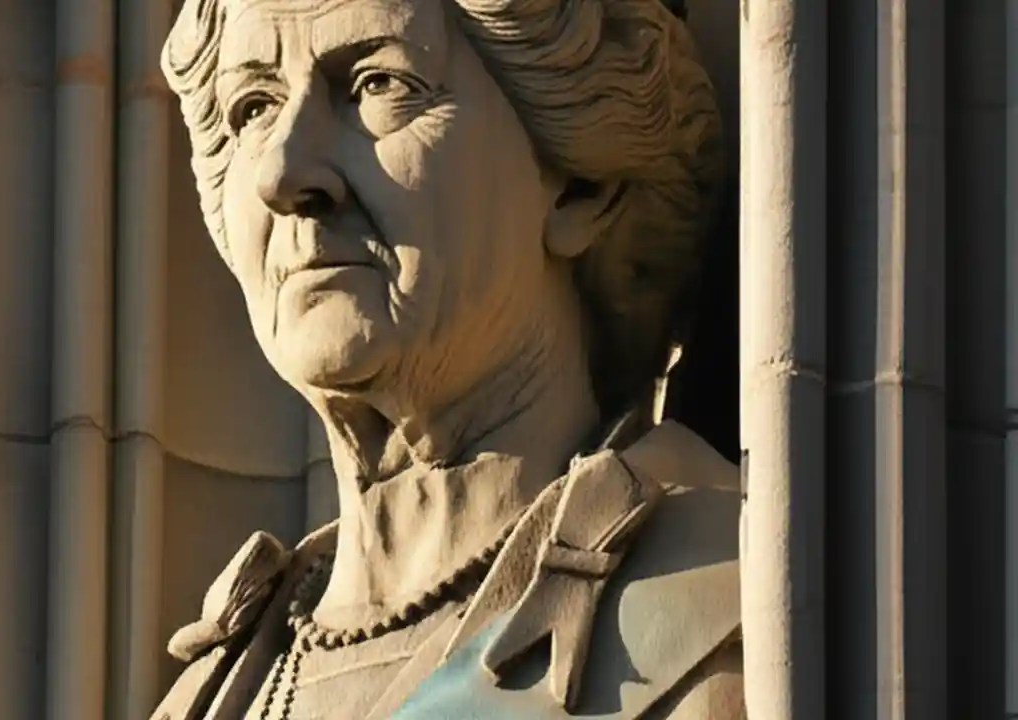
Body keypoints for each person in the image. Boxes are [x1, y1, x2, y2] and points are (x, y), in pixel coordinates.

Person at [153, 0, 741, 716]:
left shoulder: (735, 612)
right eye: (254, 107)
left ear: (582, 186)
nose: (282, 173)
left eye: (377, 84)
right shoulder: (213, 691)